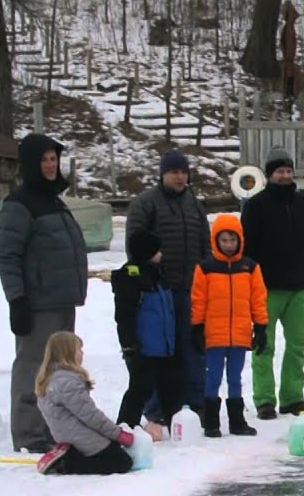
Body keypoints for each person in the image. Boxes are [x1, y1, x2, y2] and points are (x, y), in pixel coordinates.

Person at [0, 133, 88, 453]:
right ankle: (28, 434)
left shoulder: (54, 201)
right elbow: (7, 255)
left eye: (54, 159)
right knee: (34, 366)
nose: (50, 165)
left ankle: (52, 429)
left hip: (62, 299)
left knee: (61, 369)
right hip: (37, 304)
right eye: (44, 160)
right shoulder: (19, 204)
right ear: (31, 165)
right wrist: (17, 299)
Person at [125, 150, 210, 423]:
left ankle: (194, 405)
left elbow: (205, 244)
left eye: (184, 172)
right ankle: (157, 410)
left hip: (190, 289)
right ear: (163, 173)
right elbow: (135, 246)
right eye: (175, 171)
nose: (180, 176)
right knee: (159, 352)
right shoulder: (145, 203)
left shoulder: (194, 204)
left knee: (193, 349)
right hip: (158, 292)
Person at [241, 146, 304, 419]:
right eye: (279, 171)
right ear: (269, 175)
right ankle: (264, 399)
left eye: (288, 171)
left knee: (298, 345)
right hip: (266, 288)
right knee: (264, 346)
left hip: (298, 287)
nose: (285, 175)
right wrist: (248, 285)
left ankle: (292, 397)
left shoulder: (302, 205)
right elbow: (247, 251)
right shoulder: (255, 206)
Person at [191, 214, 269, 438]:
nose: (228, 245)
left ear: (239, 241)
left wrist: (261, 327)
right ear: (215, 240)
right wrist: (197, 326)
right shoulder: (205, 268)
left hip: (240, 333)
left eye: (232, 240)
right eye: (223, 240)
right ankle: (211, 421)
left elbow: (258, 299)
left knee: (236, 378)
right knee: (213, 377)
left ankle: (237, 421)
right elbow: (198, 299)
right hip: (214, 335)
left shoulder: (250, 268)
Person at [34, 332, 135, 475]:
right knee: (122, 462)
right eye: (78, 349)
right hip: (80, 440)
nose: (82, 353)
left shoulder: (51, 379)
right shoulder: (68, 383)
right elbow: (91, 417)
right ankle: (68, 463)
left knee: (114, 448)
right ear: (68, 353)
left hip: (67, 436)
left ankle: (68, 456)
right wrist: (118, 434)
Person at [111, 230, 179, 440]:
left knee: (170, 388)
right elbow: (124, 316)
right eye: (157, 251)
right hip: (143, 347)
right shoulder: (132, 279)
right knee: (140, 388)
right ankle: (125, 425)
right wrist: (129, 344)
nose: (162, 254)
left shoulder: (158, 275)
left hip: (164, 346)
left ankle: (175, 424)